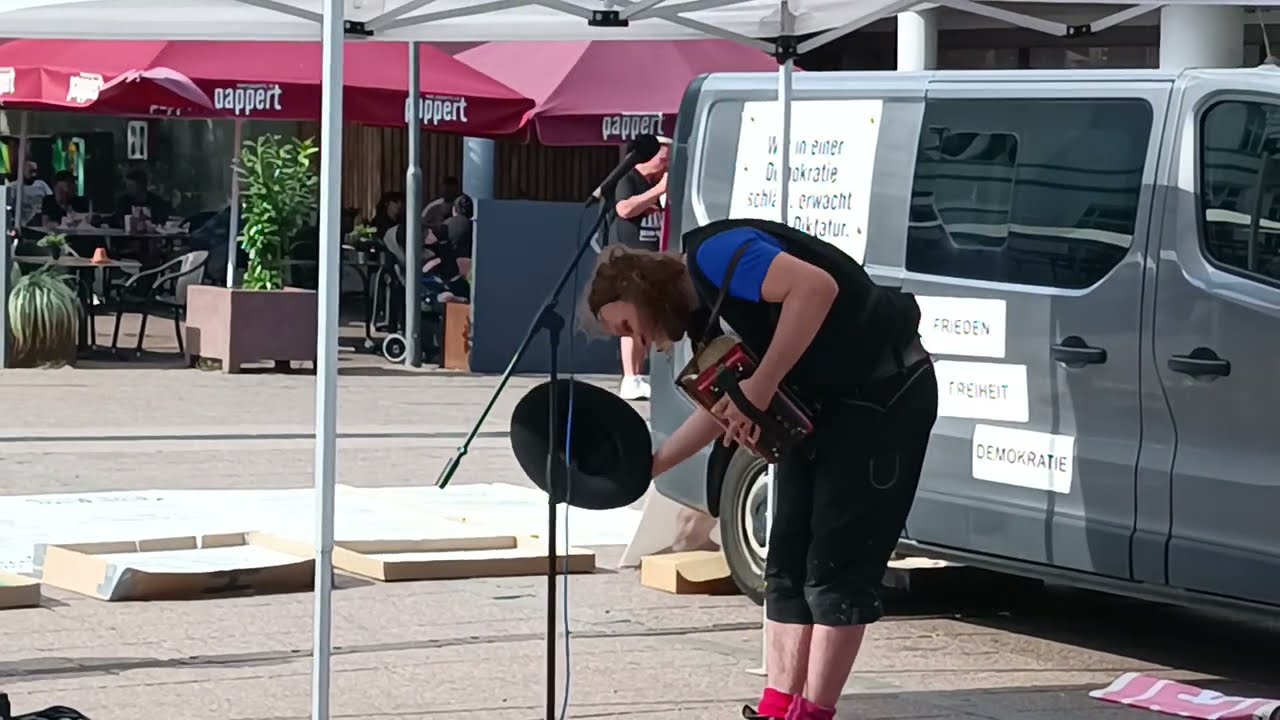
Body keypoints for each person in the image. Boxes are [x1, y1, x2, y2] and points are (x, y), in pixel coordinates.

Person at [583, 218, 937, 720]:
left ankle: (812, 712)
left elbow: (815, 288)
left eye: (625, 327)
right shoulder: (703, 318)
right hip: (821, 408)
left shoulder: (716, 255)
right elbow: (723, 406)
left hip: (882, 397)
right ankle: (778, 705)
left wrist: (763, 384)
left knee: (835, 570)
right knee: (785, 566)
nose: (636, 342)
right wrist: (651, 466)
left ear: (636, 288)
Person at [608, 136, 672, 401]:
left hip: (651, 262)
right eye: (663, 157)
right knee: (631, 319)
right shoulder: (628, 179)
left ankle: (639, 376)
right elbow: (624, 209)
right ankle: (630, 377)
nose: (666, 163)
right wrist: (658, 191)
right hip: (629, 261)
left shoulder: (653, 183)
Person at [6, 161, 52, 227]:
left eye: (35, 171)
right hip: (23, 224)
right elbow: (8, 208)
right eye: (31, 171)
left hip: (43, 222)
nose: (34, 175)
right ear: (22, 170)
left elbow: (51, 201)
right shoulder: (13, 187)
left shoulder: (42, 185)